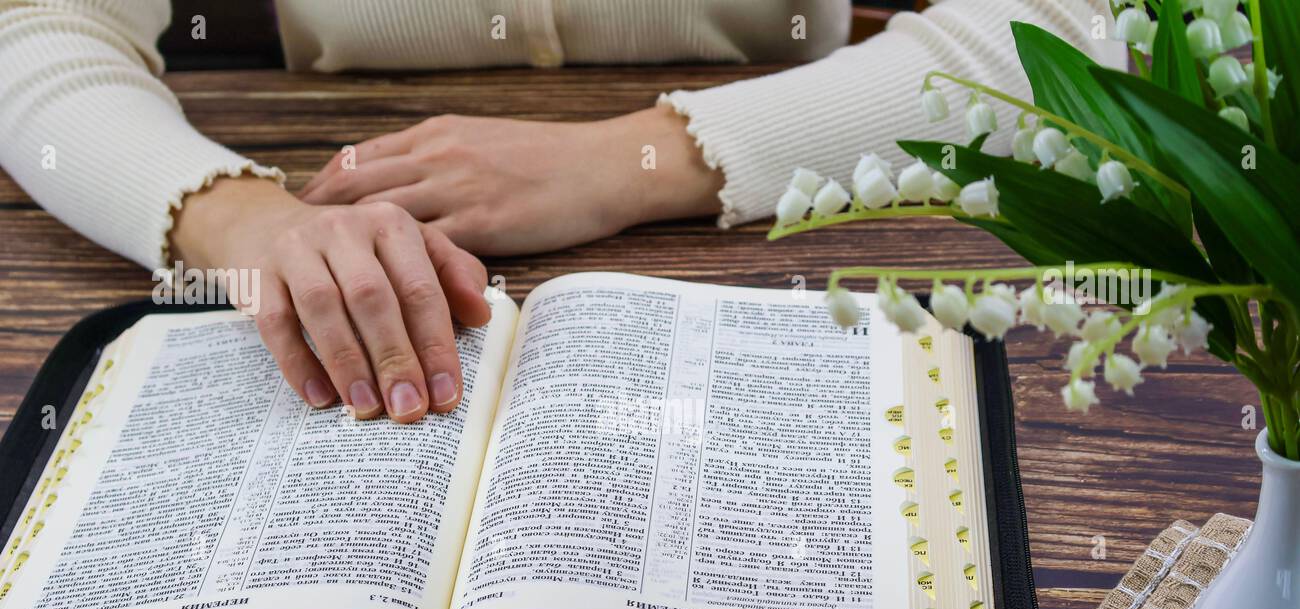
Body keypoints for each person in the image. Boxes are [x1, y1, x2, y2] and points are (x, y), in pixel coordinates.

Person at [0, 0, 1120, 421]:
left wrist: (628, 161)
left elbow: (1067, 33)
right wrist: (249, 226)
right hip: (320, 182)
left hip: (804, 216)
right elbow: (35, 30)